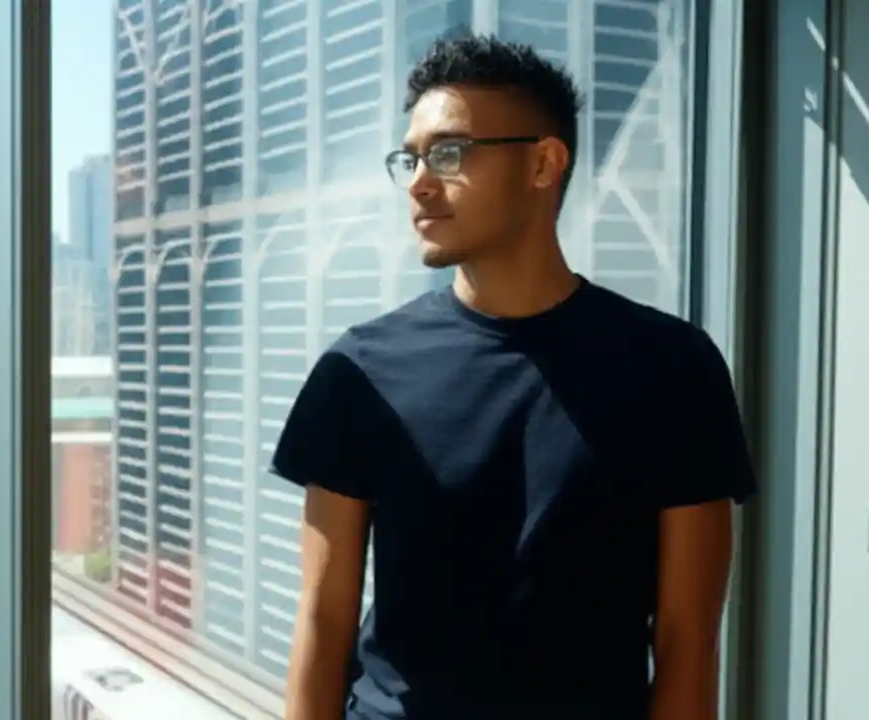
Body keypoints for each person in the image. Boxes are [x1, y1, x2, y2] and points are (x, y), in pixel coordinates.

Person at [271, 34, 756, 720]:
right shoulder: (359, 371)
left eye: (448, 152)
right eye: (409, 159)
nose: (419, 181)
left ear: (543, 162)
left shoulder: (673, 367)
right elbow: (322, 626)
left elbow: (686, 641)